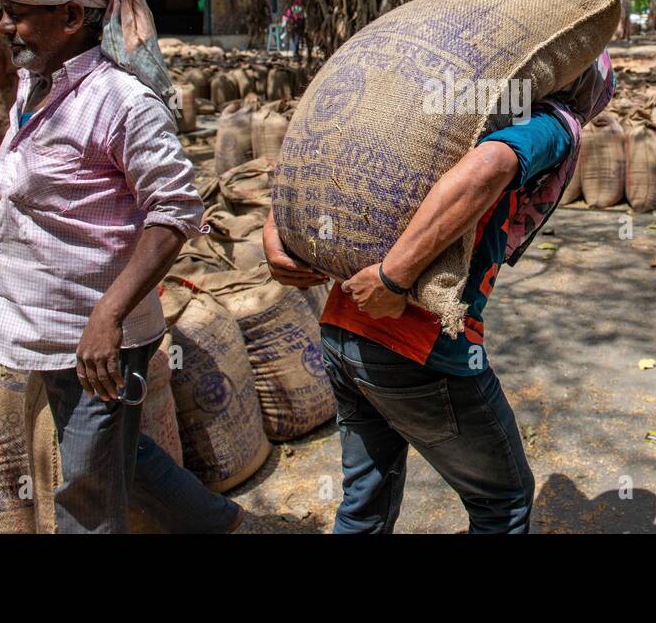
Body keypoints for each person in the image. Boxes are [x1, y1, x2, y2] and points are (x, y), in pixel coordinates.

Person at [263, 53, 617, 533]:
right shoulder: (550, 122)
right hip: (416, 348)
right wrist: (394, 278)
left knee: (364, 504)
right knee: (504, 502)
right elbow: (492, 164)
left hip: (342, 330)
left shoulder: (460, 114)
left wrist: (278, 231)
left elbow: (327, 154)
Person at [0, 0, 242, 534]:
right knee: (111, 452)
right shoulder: (34, 86)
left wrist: (107, 317)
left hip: (95, 336)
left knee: (86, 494)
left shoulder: (122, 103)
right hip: (43, 322)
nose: (4, 26)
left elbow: (174, 212)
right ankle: (215, 521)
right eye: (2, 10)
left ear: (71, 18)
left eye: (18, 12)